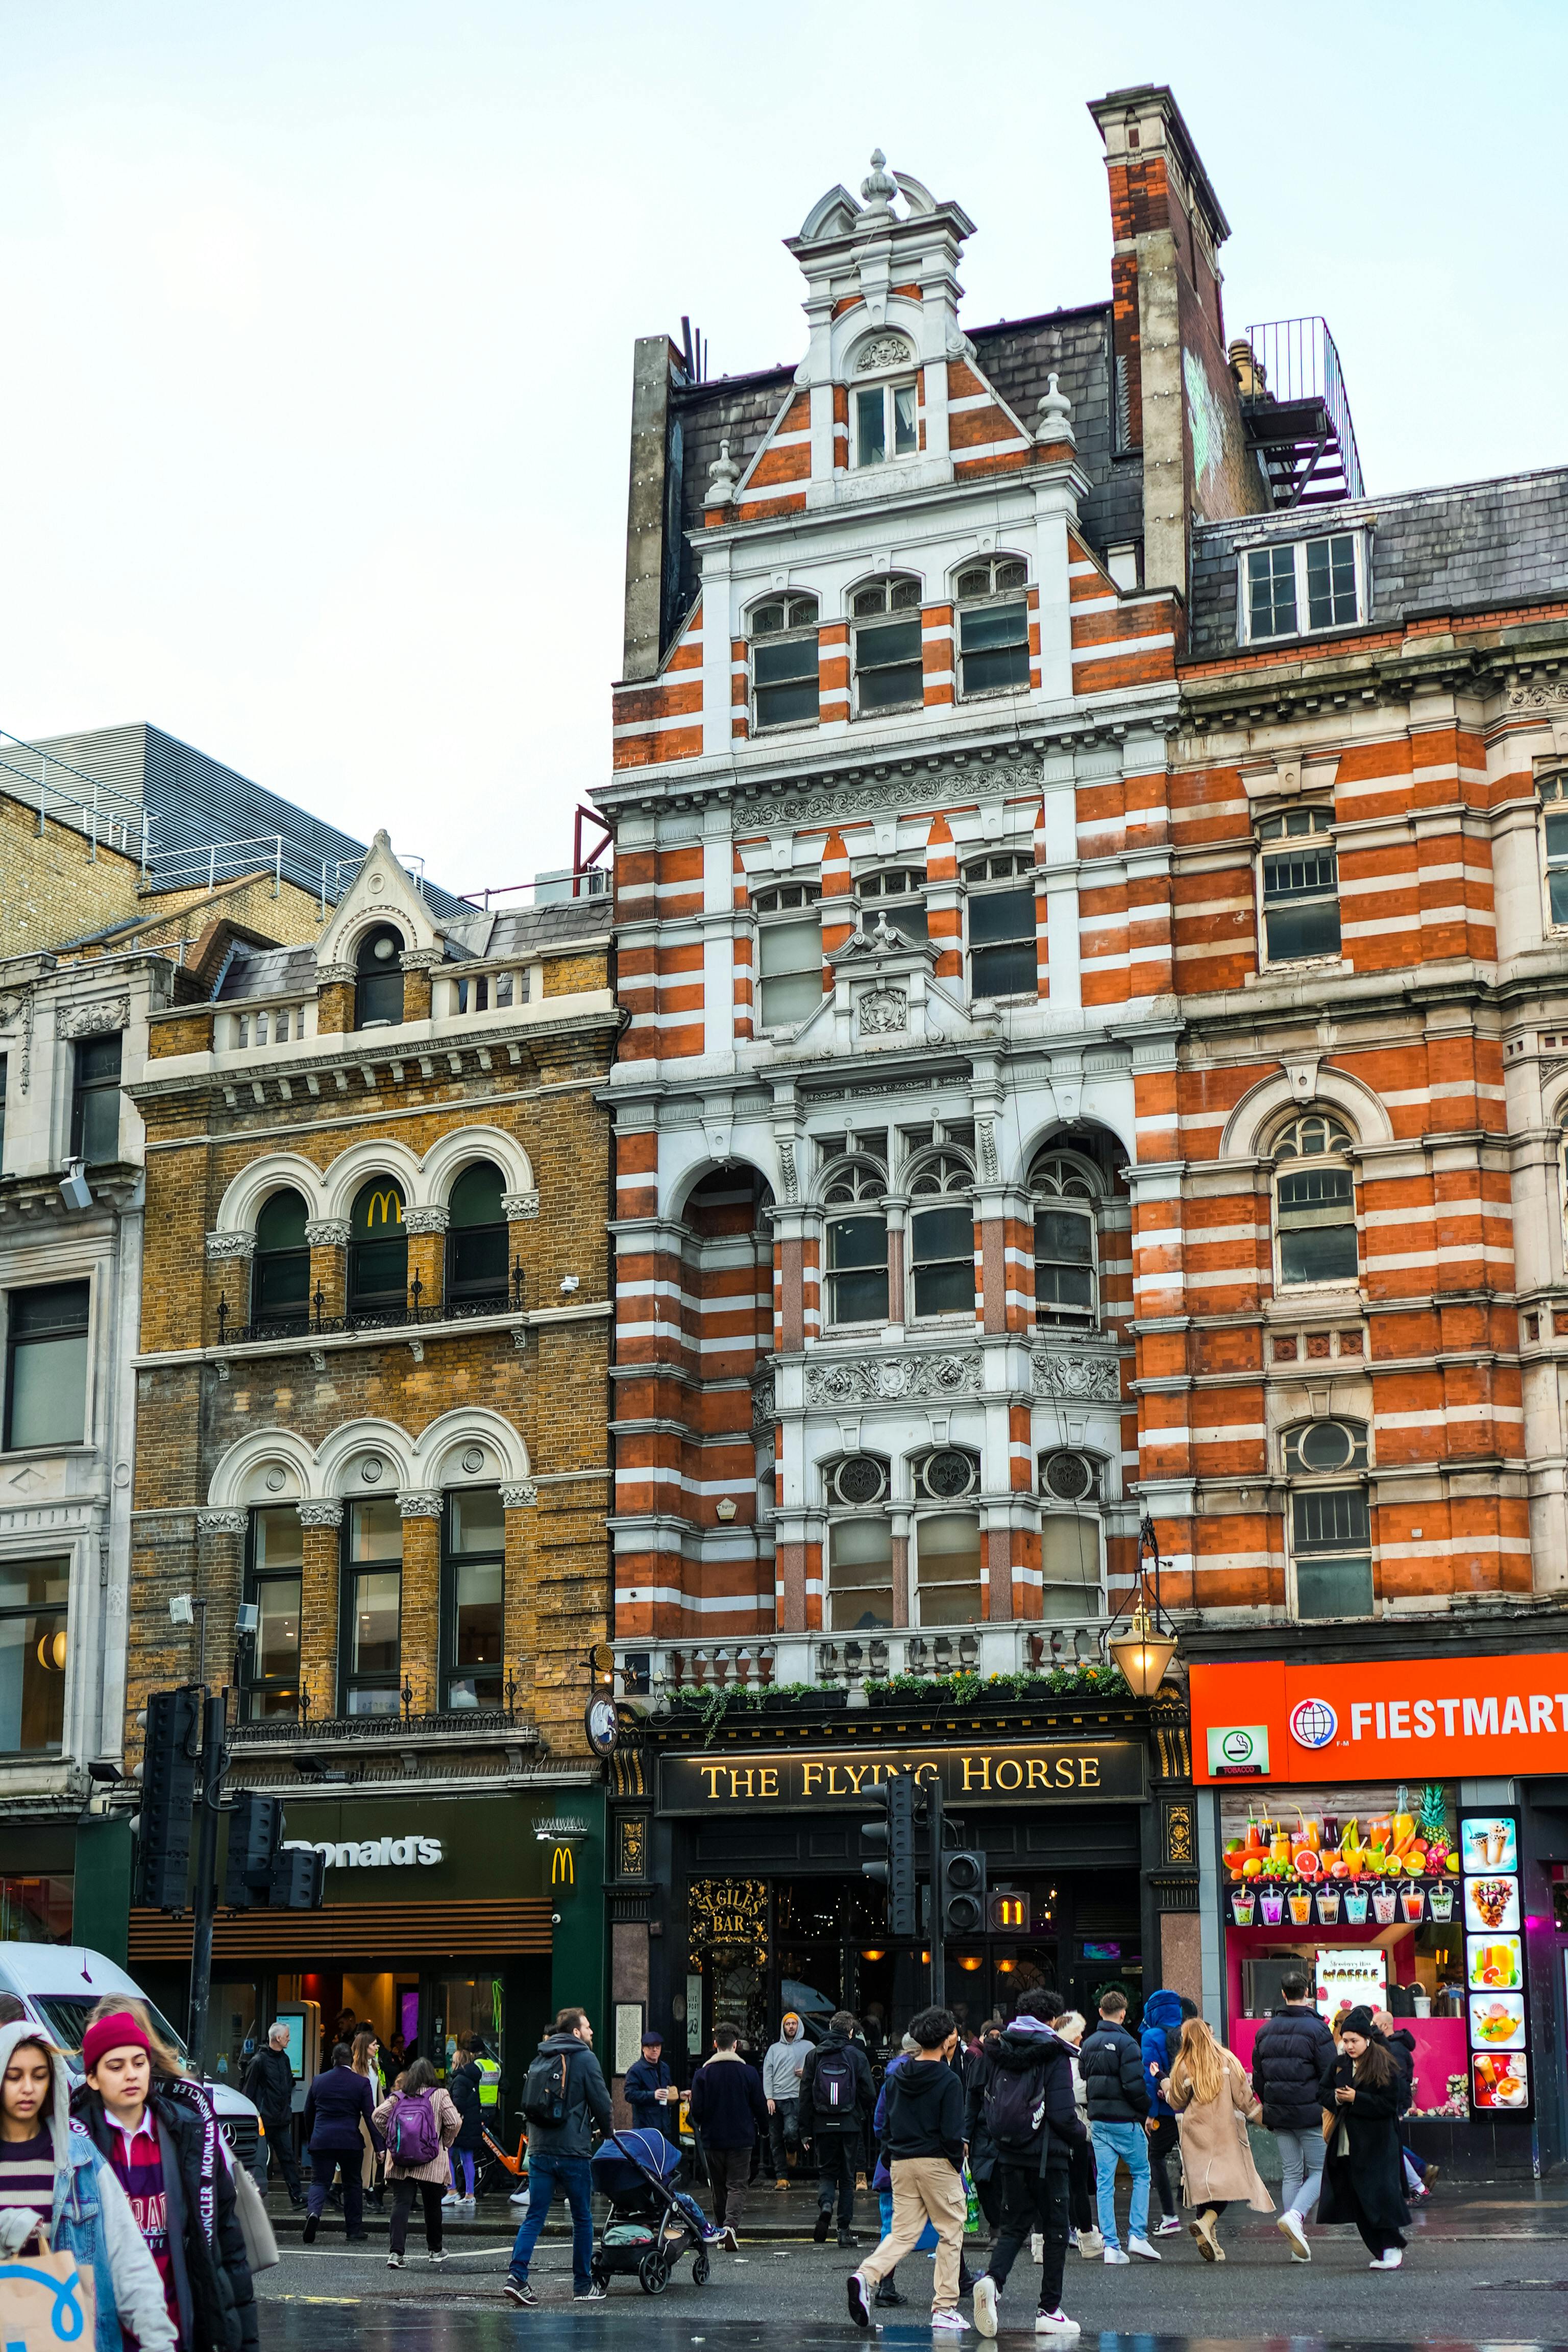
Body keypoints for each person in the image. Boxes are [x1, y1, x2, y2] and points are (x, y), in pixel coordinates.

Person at [71, 2009, 258, 2352]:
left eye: (139, 2063)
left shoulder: (189, 2137)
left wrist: (244, 2341)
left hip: (177, 2330)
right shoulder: (74, 2146)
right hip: (99, 2333)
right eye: (116, 2066)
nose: (130, 2075)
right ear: (93, 2078)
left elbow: (227, 2249)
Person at [0, 2019, 179, 2352]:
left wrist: (158, 2341)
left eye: (40, 2076)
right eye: (14, 2077)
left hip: (67, 2336)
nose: (28, 2088)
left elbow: (128, 2257)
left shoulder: (80, 2159)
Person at [967, 1988, 1086, 2342]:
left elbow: (979, 2096)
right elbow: (1064, 2116)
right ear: (1052, 2019)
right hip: (1050, 2158)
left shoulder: (997, 2049)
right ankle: (1049, 2310)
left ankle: (992, 2281)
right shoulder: (1055, 2053)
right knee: (1055, 2231)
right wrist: (1081, 2135)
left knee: (1014, 2225)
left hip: (1008, 2153)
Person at [846, 2007, 968, 2335]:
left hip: (900, 2162)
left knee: (902, 2233)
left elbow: (887, 2123)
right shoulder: (949, 2080)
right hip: (937, 2162)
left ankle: (866, 2276)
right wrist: (954, 2164)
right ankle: (945, 2307)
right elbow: (952, 2133)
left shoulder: (898, 2076)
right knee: (950, 2231)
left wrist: (889, 2157)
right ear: (944, 2042)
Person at [503, 2006, 612, 2307]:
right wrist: (609, 2131)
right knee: (582, 2218)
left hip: (538, 2150)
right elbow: (601, 2102)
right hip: (572, 2151)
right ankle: (582, 2285)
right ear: (576, 2032)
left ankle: (517, 2277)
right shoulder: (586, 2059)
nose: (592, 2032)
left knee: (535, 2215)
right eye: (588, 2027)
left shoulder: (541, 2056)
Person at [1160, 2015, 1272, 2261]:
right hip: (1225, 2132)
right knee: (1230, 2187)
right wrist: (1267, 2120)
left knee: (1205, 2187)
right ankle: (1207, 2225)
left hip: (1194, 2133)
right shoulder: (1227, 2059)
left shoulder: (1182, 2065)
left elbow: (1177, 2102)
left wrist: (1166, 2085)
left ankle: (1211, 2238)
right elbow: (1245, 2100)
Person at [1316, 2007, 1411, 2270]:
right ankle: (1382, 2249)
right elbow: (1322, 2092)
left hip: (1379, 2143)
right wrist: (1336, 2098)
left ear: (1367, 2039)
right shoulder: (1339, 2064)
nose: (1348, 2046)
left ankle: (1392, 2247)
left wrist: (1357, 2099)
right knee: (1357, 2197)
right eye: (1345, 2041)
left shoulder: (1384, 2062)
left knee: (1380, 2195)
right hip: (1347, 2142)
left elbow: (1389, 2104)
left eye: (1353, 2041)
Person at [1252, 1973, 1338, 2260]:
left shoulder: (1265, 2031)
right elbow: (1330, 2073)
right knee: (1320, 2170)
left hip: (1279, 2113)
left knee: (1291, 2172)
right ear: (1307, 1991)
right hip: (1310, 2112)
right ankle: (1297, 2217)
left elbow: (1259, 2078)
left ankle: (1296, 2243)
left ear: (1283, 1993)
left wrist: (1270, 2104)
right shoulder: (1318, 2029)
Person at [1079, 1990, 1158, 2263]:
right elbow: (1135, 2086)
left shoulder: (1088, 2045)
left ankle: (1111, 2246)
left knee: (1105, 2182)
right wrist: (1144, 2109)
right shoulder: (1129, 2045)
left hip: (1099, 2121)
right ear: (1123, 2014)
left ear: (1101, 2012)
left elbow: (1084, 2077)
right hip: (1126, 2120)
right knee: (1142, 2174)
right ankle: (1137, 2235)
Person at [372, 2055, 461, 2268]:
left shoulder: (399, 2097)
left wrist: (391, 2139)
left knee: (400, 2203)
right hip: (431, 2160)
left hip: (401, 2159)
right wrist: (444, 2144)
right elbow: (454, 2122)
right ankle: (435, 2250)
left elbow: (377, 2116)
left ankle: (396, 2254)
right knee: (432, 2205)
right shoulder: (440, 2095)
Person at [801, 2008, 874, 2248]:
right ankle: (843, 2232)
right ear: (851, 2032)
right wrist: (860, 2114)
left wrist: (805, 2130)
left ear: (830, 2029)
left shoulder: (814, 2056)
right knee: (846, 2178)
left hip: (823, 2124)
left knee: (826, 2174)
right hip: (849, 2123)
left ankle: (825, 2207)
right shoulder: (856, 2056)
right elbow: (869, 2093)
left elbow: (805, 2095)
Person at [689, 2026, 768, 2240]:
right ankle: (730, 2228)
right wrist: (765, 2130)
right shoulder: (749, 2073)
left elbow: (696, 2111)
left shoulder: (702, 2075)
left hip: (712, 2140)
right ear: (736, 2046)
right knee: (737, 2186)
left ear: (716, 2045)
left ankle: (720, 2230)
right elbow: (760, 2106)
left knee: (719, 2187)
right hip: (741, 2139)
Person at [302, 2040, 379, 2243]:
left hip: (322, 2139)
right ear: (352, 2059)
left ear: (332, 2060)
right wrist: (380, 2147)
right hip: (350, 2141)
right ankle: (354, 2230)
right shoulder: (360, 2083)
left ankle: (314, 2213)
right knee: (353, 2184)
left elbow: (308, 2112)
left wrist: (313, 2137)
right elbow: (370, 2116)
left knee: (319, 2181)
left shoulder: (319, 2081)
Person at [1137, 1989, 1187, 2238]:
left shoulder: (1152, 2036)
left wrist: (1151, 2113)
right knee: (1193, 2160)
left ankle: (1170, 2216)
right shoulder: (1190, 2032)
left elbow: (1150, 2077)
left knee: (1155, 2157)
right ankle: (1205, 2217)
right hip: (1192, 2108)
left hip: (1166, 2110)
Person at [1051, 2010, 1099, 2258]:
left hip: (1059, 2127)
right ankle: (1085, 2234)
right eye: (1079, 2033)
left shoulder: (1055, 2058)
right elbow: (1078, 2093)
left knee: (1066, 2183)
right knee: (1077, 2183)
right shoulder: (1072, 2061)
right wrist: (1095, 2086)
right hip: (1075, 2125)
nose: (1083, 2037)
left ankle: (1066, 2230)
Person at [242, 2022, 303, 2205]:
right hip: (265, 2119)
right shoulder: (259, 2061)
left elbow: (287, 2084)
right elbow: (249, 2091)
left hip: (281, 2118)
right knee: (258, 2158)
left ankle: (297, 2196)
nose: (289, 2039)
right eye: (287, 2036)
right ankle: (248, 2196)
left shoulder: (283, 2059)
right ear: (278, 2038)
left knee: (288, 2158)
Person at [762, 2012, 807, 2185]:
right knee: (775, 2139)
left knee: (790, 2133)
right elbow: (767, 2074)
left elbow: (818, 2069)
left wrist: (807, 2074)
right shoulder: (774, 2049)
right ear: (783, 2027)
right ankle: (781, 2177)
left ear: (799, 2026)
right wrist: (769, 2097)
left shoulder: (808, 2047)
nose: (790, 2027)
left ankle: (792, 2150)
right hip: (776, 2100)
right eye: (787, 2024)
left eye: (793, 2024)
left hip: (795, 2098)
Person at [445, 2035, 483, 2209]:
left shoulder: (459, 2080)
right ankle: (470, 2194)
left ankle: (452, 2190)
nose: (451, 2064)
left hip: (460, 2125)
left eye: (453, 2061)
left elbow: (457, 2103)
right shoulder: (472, 2078)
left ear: (458, 2063)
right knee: (467, 2157)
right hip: (472, 2124)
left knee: (448, 2154)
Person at [624, 2031, 678, 2140]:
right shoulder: (636, 2070)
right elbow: (629, 2095)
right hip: (645, 2127)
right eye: (651, 2047)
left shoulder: (665, 2068)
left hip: (665, 2126)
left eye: (658, 2046)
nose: (655, 2050)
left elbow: (668, 2090)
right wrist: (653, 2095)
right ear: (643, 2048)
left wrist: (680, 2095)